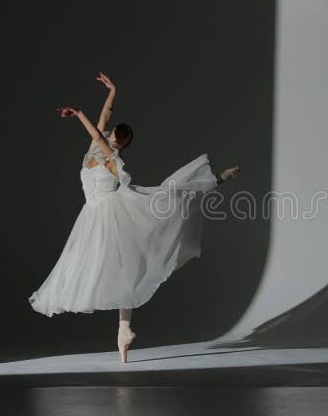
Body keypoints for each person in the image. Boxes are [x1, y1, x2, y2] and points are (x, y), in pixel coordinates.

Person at [28, 72, 239, 362]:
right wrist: (112, 91)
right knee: (107, 268)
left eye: (114, 135)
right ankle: (123, 331)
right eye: (111, 131)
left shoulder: (113, 159)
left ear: (120, 142)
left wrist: (78, 112)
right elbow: (104, 117)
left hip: (112, 214)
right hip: (92, 215)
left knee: (169, 196)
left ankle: (217, 180)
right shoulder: (96, 148)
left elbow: (96, 132)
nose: (109, 133)